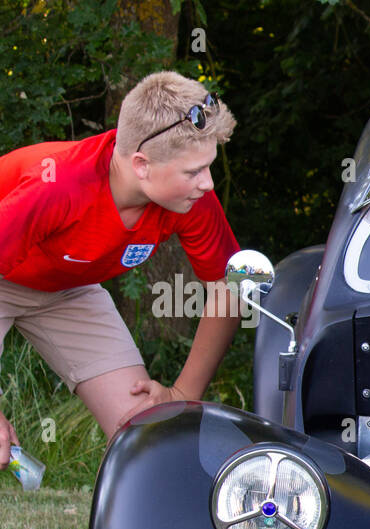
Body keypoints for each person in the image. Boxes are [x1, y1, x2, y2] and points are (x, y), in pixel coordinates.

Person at [0, 71, 242, 469]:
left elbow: (228, 287)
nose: (208, 184)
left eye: (209, 166)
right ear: (142, 165)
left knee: (148, 433)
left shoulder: (192, 201)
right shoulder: (58, 185)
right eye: (193, 172)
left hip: (67, 288)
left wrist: (182, 392)